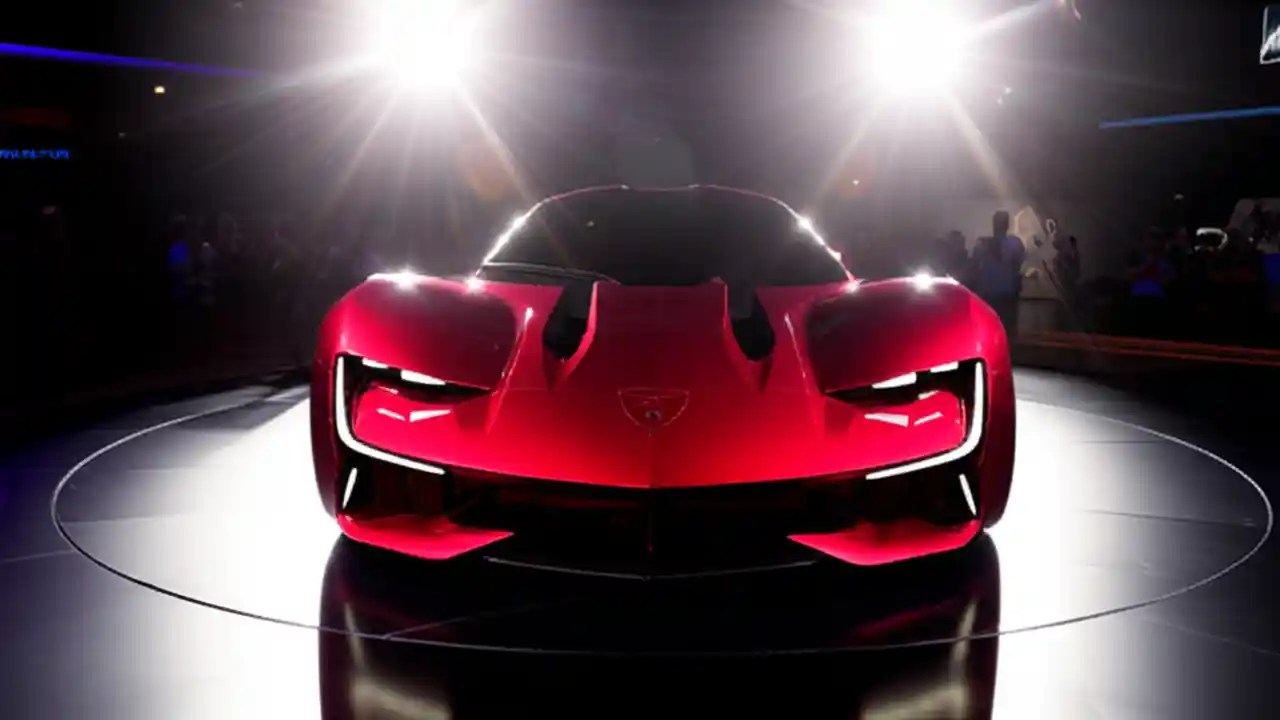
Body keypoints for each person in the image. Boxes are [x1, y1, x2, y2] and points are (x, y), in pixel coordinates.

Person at [972, 211, 1025, 336]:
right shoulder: (1014, 243)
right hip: (1000, 293)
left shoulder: (983, 244)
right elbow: (1018, 264)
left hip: (997, 293)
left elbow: (975, 265)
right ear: (1008, 225)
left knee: (996, 330)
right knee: (1004, 331)